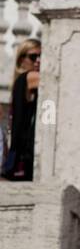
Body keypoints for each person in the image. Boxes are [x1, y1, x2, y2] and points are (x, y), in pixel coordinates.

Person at [1, 39, 39, 181]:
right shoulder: (29, 77)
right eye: (33, 57)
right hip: (24, 155)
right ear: (21, 59)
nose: (38, 61)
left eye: (42, 56)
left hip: (17, 153)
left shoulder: (19, 81)